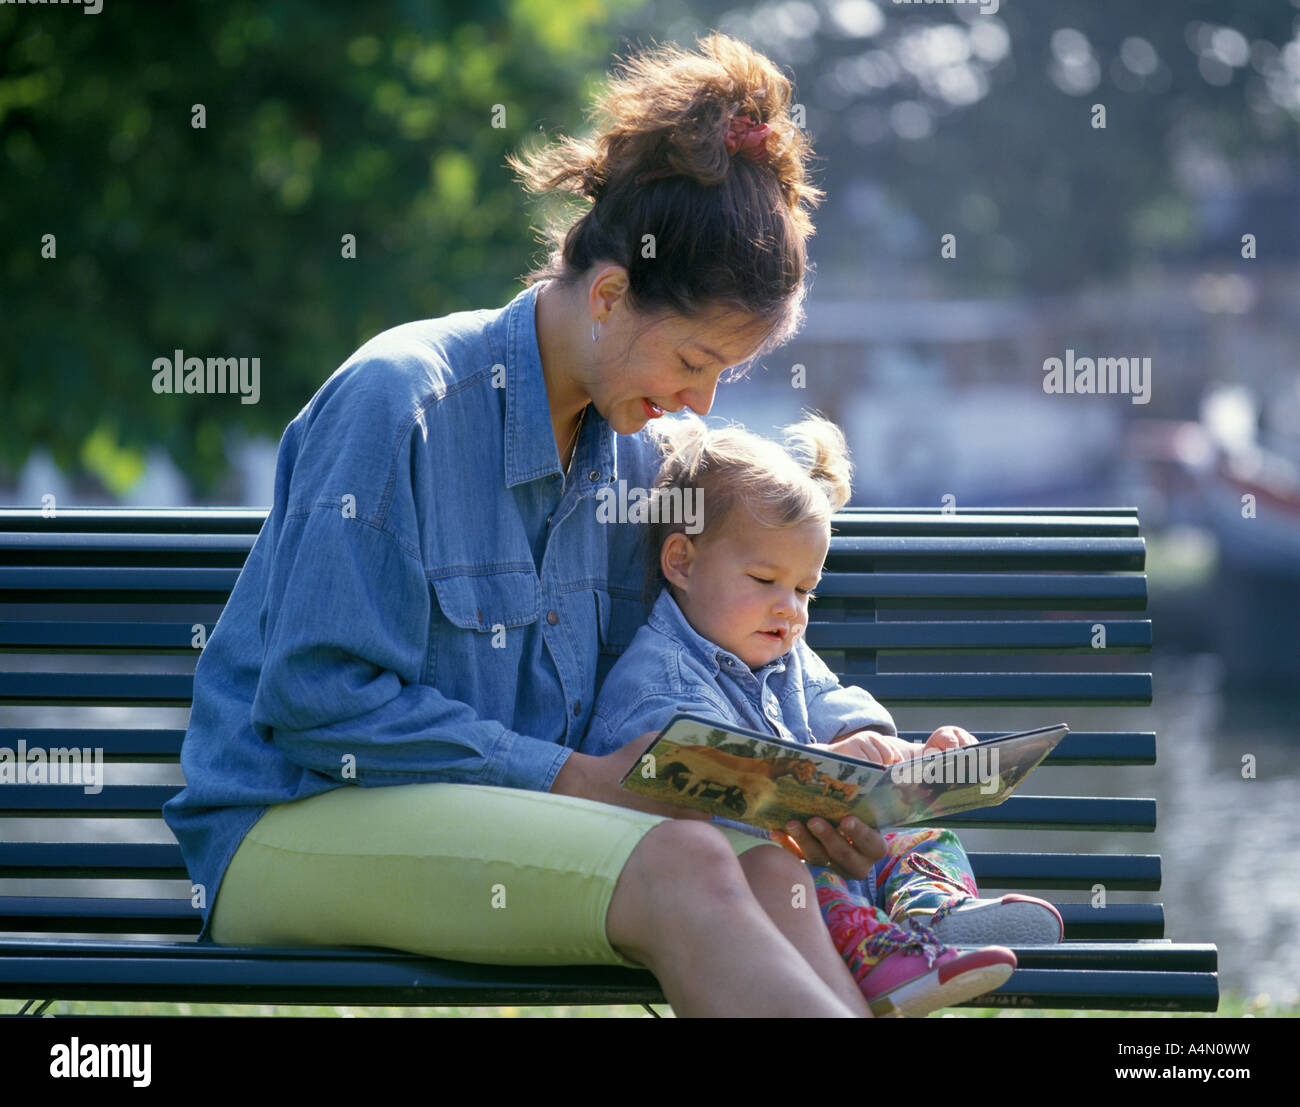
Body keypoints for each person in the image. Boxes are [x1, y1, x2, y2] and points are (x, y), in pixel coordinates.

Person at [162, 31, 891, 1017]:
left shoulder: (644, 455)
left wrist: (848, 744)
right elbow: (315, 699)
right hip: (287, 824)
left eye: (723, 375)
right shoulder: (399, 401)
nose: (701, 402)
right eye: (690, 361)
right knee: (683, 861)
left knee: (768, 862)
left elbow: (728, 606)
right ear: (607, 294)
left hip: (501, 828)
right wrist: (578, 779)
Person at [578, 411, 1064, 1016]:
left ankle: (937, 914)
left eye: (806, 590)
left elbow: (834, 704)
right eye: (764, 580)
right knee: (795, 872)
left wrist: (911, 759)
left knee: (922, 832)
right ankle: (881, 953)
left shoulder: (780, 650)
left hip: (833, 846)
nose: (790, 610)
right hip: (748, 878)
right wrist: (828, 770)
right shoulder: (660, 679)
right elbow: (715, 783)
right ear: (682, 562)